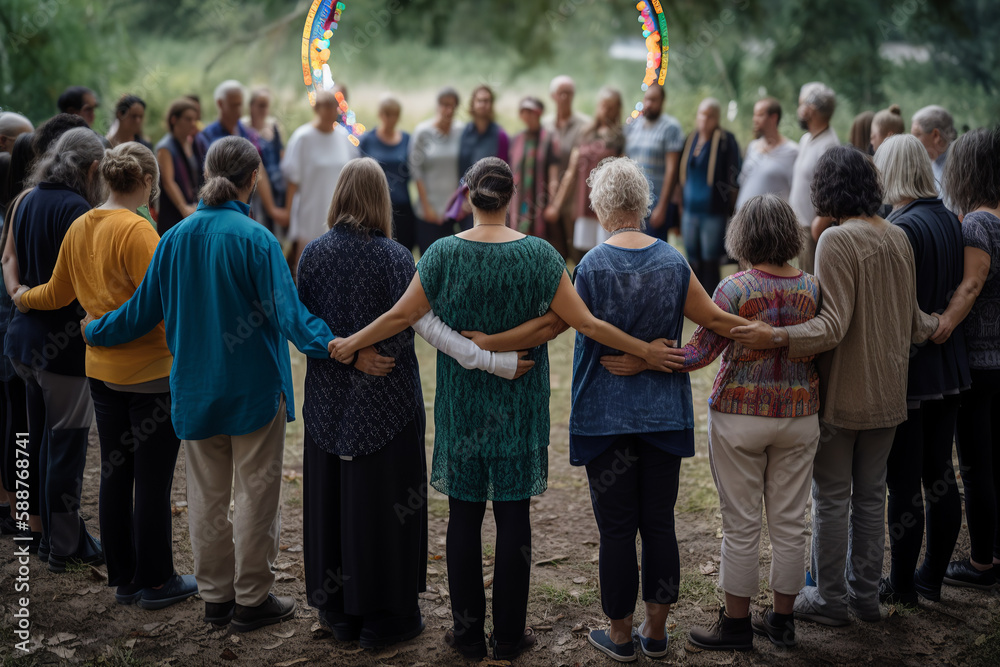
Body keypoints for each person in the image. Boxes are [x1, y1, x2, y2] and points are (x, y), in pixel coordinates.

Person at [330, 157, 680, 662]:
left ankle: (468, 635)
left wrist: (352, 342)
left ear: (468, 194)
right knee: (514, 515)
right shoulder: (541, 255)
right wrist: (643, 350)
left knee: (463, 515)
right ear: (512, 196)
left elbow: (403, 315)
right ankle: (510, 637)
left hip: (463, 402)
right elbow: (580, 323)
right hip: (520, 400)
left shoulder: (442, 253)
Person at [81, 136, 345, 632]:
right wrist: (340, 345)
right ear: (254, 178)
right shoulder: (258, 240)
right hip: (254, 391)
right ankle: (252, 599)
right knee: (256, 496)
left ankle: (216, 597)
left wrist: (95, 330)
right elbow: (292, 318)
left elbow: (139, 313)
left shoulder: (172, 238)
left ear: (206, 174)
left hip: (195, 391)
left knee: (206, 497)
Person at [297, 157, 530, 648]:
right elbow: (415, 327)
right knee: (384, 507)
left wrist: (345, 351)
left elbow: (303, 322)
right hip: (387, 404)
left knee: (332, 501)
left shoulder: (311, 255)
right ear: (381, 200)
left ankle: (337, 612)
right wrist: (493, 358)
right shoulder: (395, 257)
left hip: (327, 402)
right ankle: (386, 616)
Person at [731, 146, 939, 627]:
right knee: (870, 499)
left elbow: (832, 326)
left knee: (831, 498)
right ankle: (864, 599)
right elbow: (914, 322)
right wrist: (946, 319)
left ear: (826, 188)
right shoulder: (898, 235)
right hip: (890, 393)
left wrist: (776, 336)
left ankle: (829, 599)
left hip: (845, 393)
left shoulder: (837, 240)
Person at [555, 158, 748, 662]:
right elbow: (715, 321)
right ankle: (656, 631)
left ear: (601, 207)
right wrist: (769, 329)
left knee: (616, 529)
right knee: (659, 522)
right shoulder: (673, 262)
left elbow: (575, 325)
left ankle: (620, 635)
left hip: (604, 416)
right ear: (642, 203)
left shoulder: (592, 265)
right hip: (662, 413)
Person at [13, 142, 198, 609]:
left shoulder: (82, 224)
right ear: (148, 182)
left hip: (100, 371)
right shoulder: (138, 231)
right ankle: (158, 581)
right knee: (152, 480)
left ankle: (125, 578)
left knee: (117, 472)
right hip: (150, 373)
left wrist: (22, 297)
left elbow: (57, 293)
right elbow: (160, 306)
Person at [681, 194, 820, 652]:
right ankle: (783, 623)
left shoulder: (734, 289)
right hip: (799, 415)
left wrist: (646, 355)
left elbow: (700, 352)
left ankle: (736, 628)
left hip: (739, 415)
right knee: (791, 522)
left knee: (741, 524)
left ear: (743, 235)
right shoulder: (812, 288)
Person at [871, 134, 969, 605]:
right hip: (948, 368)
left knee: (904, 483)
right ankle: (930, 576)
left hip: (911, 371)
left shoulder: (901, 227)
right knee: (940, 474)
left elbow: (897, 312)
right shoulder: (949, 217)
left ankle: (904, 585)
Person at [2, 128, 105, 571]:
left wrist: (19, 295)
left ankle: (42, 532)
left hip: (24, 340)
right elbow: (81, 285)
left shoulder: (26, 199)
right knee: (65, 444)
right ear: (93, 168)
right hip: (62, 348)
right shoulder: (78, 210)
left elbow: (11, 259)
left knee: (39, 438)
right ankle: (64, 545)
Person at [931, 128, 1000, 589]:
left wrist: (944, 323)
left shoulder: (977, 224)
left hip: (979, 362)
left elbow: (972, 283)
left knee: (975, 467)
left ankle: (980, 565)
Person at [282, 90, 360, 276]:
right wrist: (287, 212)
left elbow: (352, 174)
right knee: (308, 265)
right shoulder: (303, 137)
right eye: (326, 107)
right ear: (316, 109)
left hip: (339, 210)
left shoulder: (343, 137)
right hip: (311, 211)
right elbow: (293, 179)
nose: (330, 111)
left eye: (333, 107)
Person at [0, 133, 34, 544]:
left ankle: (11, 506)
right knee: (19, 428)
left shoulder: (15, 213)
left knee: (11, 422)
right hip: (13, 332)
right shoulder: (18, 216)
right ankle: (20, 513)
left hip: (10, 333)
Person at [195, 80, 287, 229]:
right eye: (233, 105)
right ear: (220, 104)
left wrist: (271, 209)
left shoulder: (244, 131)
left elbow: (258, 167)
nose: (238, 111)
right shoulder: (207, 137)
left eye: (240, 105)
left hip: (247, 208)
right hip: (218, 211)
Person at [547, 86, 625, 254]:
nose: (606, 111)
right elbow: (571, 173)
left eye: (611, 107)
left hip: (607, 205)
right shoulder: (586, 133)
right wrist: (556, 205)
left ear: (617, 109)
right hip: (584, 202)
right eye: (603, 106)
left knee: (606, 251)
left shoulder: (619, 137)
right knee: (583, 252)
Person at [678, 97, 742, 294]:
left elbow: (734, 173)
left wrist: (727, 203)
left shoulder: (725, 141)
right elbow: (682, 175)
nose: (705, 119)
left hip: (713, 212)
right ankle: (692, 298)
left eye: (710, 116)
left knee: (710, 258)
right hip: (690, 211)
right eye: (702, 114)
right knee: (692, 257)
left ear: (717, 118)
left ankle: (712, 299)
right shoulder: (691, 139)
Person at [788, 82, 839, 273]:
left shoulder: (829, 146)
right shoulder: (807, 139)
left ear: (811, 109)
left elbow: (833, 190)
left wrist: (820, 222)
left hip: (812, 231)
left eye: (801, 104)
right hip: (800, 229)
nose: (799, 109)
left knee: (809, 283)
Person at [624, 84, 685, 241]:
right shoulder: (634, 126)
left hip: (656, 202)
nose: (649, 104)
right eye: (647, 99)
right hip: (634, 202)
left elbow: (672, 170)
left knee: (652, 246)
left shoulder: (670, 127)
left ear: (662, 102)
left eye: (654, 100)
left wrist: (662, 207)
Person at [359, 94, 417, 251]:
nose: (391, 119)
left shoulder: (407, 139)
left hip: (402, 207)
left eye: (395, 114)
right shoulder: (367, 140)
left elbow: (415, 172)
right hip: (374, 208)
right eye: (388, 114)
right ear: (380, 114)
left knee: (403, 251)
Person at [409, 87, 463, 253]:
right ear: (437, 106)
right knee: (429, 260)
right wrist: (427, 208)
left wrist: (461, 205)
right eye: (444, 105)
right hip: (428, 212)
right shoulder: (422, 132)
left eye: (452, 106)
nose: (448, 110)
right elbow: (416, 171)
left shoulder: (461, 131)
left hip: (454, 212)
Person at [544, 75, 590, 259]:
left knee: (577, 252)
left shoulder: (585, 126)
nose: (564, 97)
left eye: (569, 93)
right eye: (561, 93)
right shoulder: (545, 125)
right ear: (552, 96)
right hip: (546, 199)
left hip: (574, 200)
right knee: (554, 253)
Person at [456, 85, 509, 229]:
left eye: (487, 101)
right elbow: (461, 169)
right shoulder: (464, 133)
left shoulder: (500, 136)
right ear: (473, 104)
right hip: (466, 204)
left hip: (492, 204)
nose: (483, 104)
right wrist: (464, 199)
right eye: (479, 100)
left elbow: (504, 174)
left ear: (491, 105)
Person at [736, 98, 799, 210]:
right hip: (743, 215)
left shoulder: (792, 151)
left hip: (771, 218)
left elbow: (797, 189)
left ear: (773, 118)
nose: (754, 119)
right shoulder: (753, 147)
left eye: (760, 115)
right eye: (754, 115)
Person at [506, 96, 556, 238]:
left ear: (539, 113)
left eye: (531, 112)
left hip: (541, 200)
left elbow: (554, 175)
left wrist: (553, 204)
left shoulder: (548, 139)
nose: (527, 116)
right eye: (524, 112)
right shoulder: (516, 139)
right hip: (518, 200)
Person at [155, 98, 205, 235]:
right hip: (173, 215)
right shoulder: (165, 147)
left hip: (192, 210)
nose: (193, 123)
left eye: (194, 119)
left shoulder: (191, 143)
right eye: (188, 119)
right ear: (174, 120)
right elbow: (168, 182)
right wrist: (184, 208)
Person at [245, 86, 286, 233]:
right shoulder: (244, 129)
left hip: (276, 187)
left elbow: (281, 156)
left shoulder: (273, 127)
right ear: (251, 105)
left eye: (266, 105)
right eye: (260, 105)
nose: (263, 109)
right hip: (255, 190)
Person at [911, 105, 957, 202]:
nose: (913, 142)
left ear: (936, 135)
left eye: (917, 134)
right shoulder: (929, 163)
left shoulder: (959, 166)